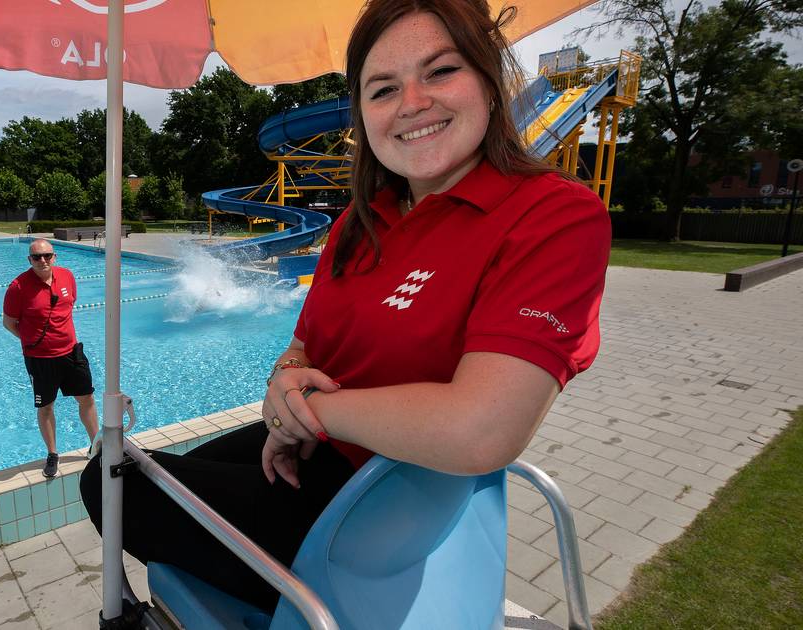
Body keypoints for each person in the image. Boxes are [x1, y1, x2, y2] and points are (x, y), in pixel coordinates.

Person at [81, 0, 611, 611]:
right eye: (383, 88)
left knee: (110, 485)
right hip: (321, 456)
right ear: (362, 113)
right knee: (128, 468)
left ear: (491, 82)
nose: (413, 102)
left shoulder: (554, 217)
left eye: (440, 71)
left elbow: (482, 429)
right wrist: (283, 397)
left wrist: (311, 412)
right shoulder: (361, 224)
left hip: (379, 514)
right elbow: (302, 349)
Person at [4, 239, 99, 478]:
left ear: (54, 256)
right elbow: (9, 323)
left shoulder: (67, 276)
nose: (43, 260)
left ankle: (98, 446)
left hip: (71, 352)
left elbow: (68, 307)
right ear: (30, 260)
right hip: (40, 359)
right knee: (46, 407)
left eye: (47, 255)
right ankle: (53, 454)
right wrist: (32, 341)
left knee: (86, 399)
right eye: (37, 257)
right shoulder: (18, 287)